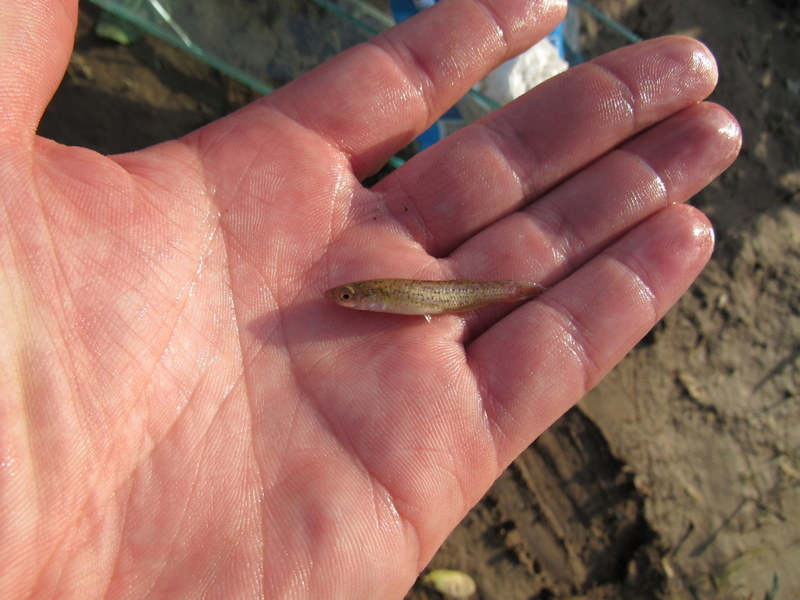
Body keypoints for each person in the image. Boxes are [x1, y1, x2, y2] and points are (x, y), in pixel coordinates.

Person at [0, 0, 740, 597]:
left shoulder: (384, 296)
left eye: (354, 296)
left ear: (368, 295)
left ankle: (524, 283)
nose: (350, 301)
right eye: (354, 296)